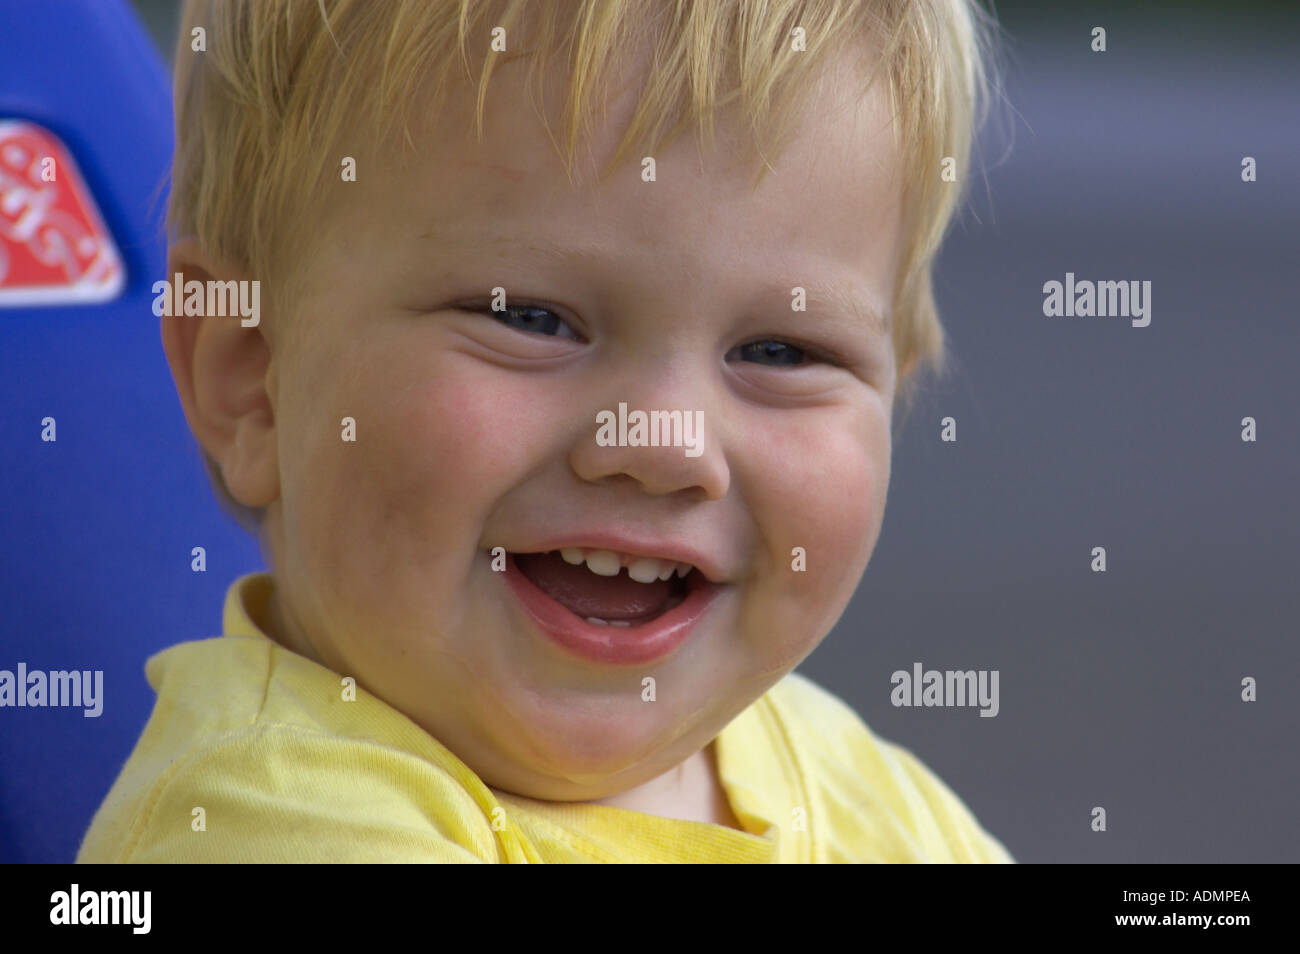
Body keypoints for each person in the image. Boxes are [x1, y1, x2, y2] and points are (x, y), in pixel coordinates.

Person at [78, 0, 1012, 863]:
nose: (664, 446)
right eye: (530, 319)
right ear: (251, 376)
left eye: (781, 349)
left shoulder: (865, 793)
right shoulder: (271, 822)